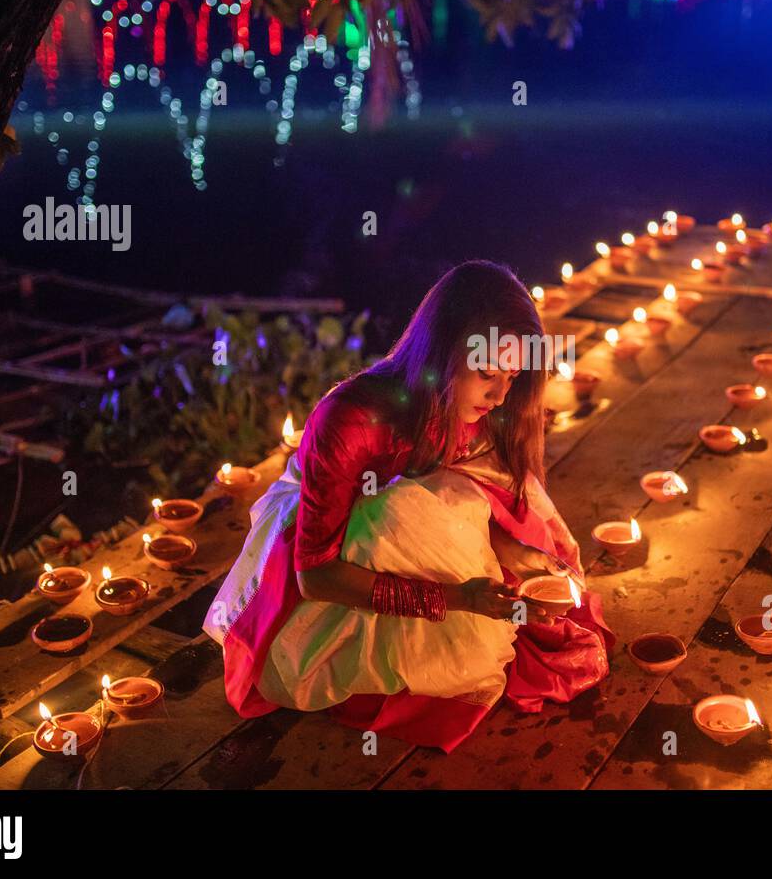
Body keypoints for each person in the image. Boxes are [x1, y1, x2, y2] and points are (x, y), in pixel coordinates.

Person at [204, 260, 613, 753]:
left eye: (512, 376)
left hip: (407, 525)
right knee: (401, 513)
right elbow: (316, 575)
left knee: (489, 505)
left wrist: (513, 549)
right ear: (441, 353)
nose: (502, 395)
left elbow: (459, 490)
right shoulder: (351, 420)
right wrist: (456, 599)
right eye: (486, 373)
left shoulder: (466, 405)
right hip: (327, 555)